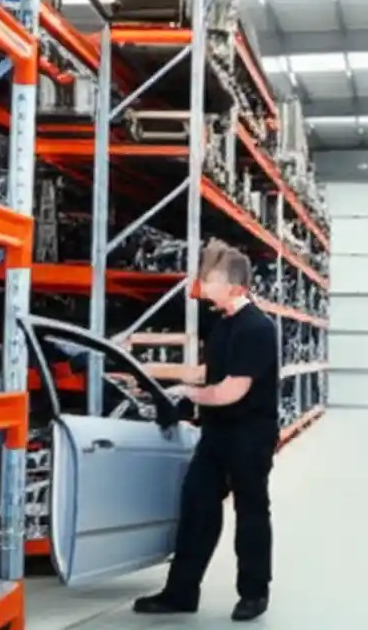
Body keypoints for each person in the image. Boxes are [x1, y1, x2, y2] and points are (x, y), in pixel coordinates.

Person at [134, 239, 280, 622]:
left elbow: (232, 389)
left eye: (210, 279)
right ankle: (180, 593)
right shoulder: (222, 324)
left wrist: (191, 395)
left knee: (251, 512)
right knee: (197, 505)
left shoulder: (257, 328)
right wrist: (166, 382)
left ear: (234, 286)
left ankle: (253, 593)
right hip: (217, 433)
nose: (202, 284)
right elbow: (209, 373)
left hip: (250, 436)